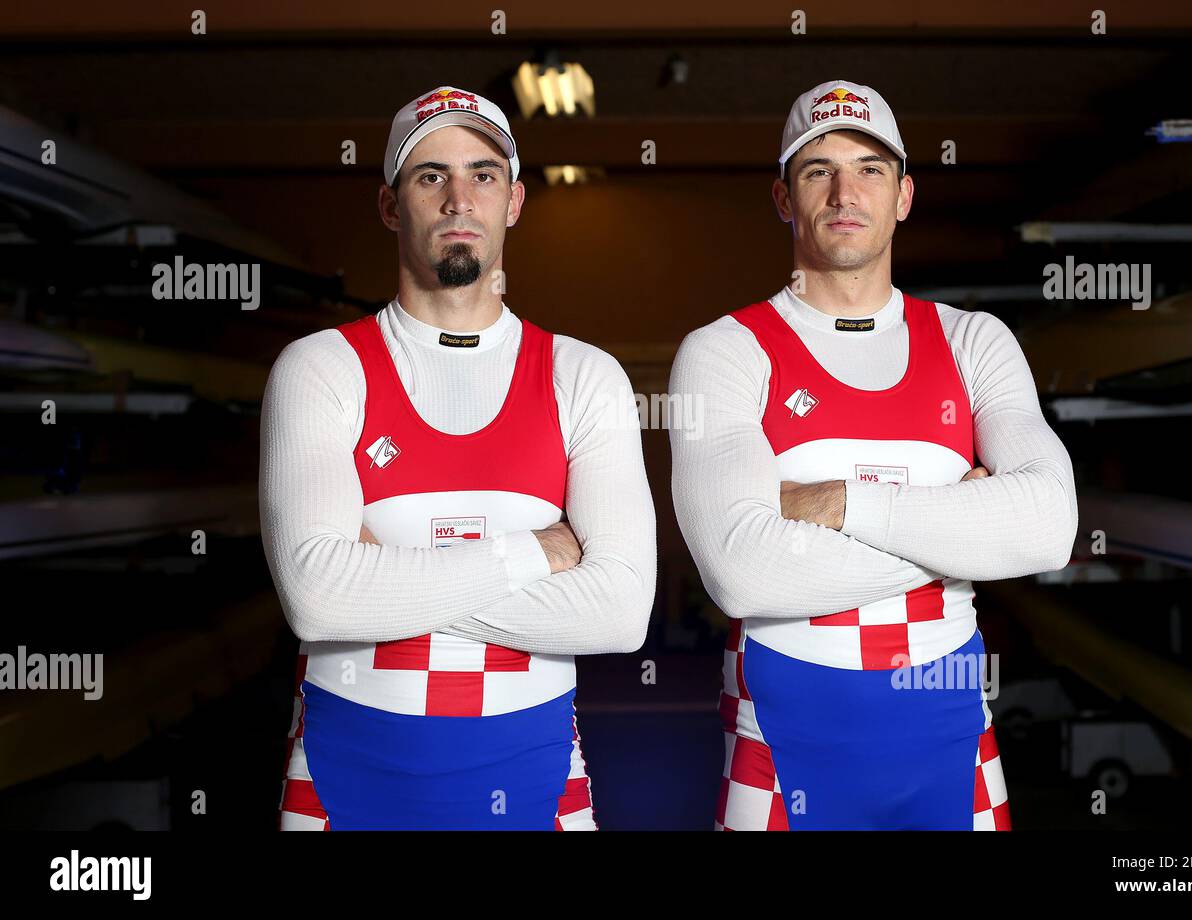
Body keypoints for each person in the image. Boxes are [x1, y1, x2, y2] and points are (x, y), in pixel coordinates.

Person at [669, 80, 1077, 830]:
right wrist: (964, 530)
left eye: (870, 169)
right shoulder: (727, 351)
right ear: (784, 198)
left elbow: (1049, 529)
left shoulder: (973, 341)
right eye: (818, 170)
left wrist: (840, 504)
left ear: (905, 196)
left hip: (951, 743)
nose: (844, 191)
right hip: (782, 741)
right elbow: (740, 571)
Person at [260, 86, 656, 830]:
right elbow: (317, 599)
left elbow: (620, 613)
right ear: (389, 205)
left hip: (537, 784)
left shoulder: (582, 375)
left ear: (514, 202)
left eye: (483, 174)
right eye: (429, 176)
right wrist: (533, 555)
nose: (458, 199)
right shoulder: (321, 369)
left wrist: (386, 583)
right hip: (345, 786)